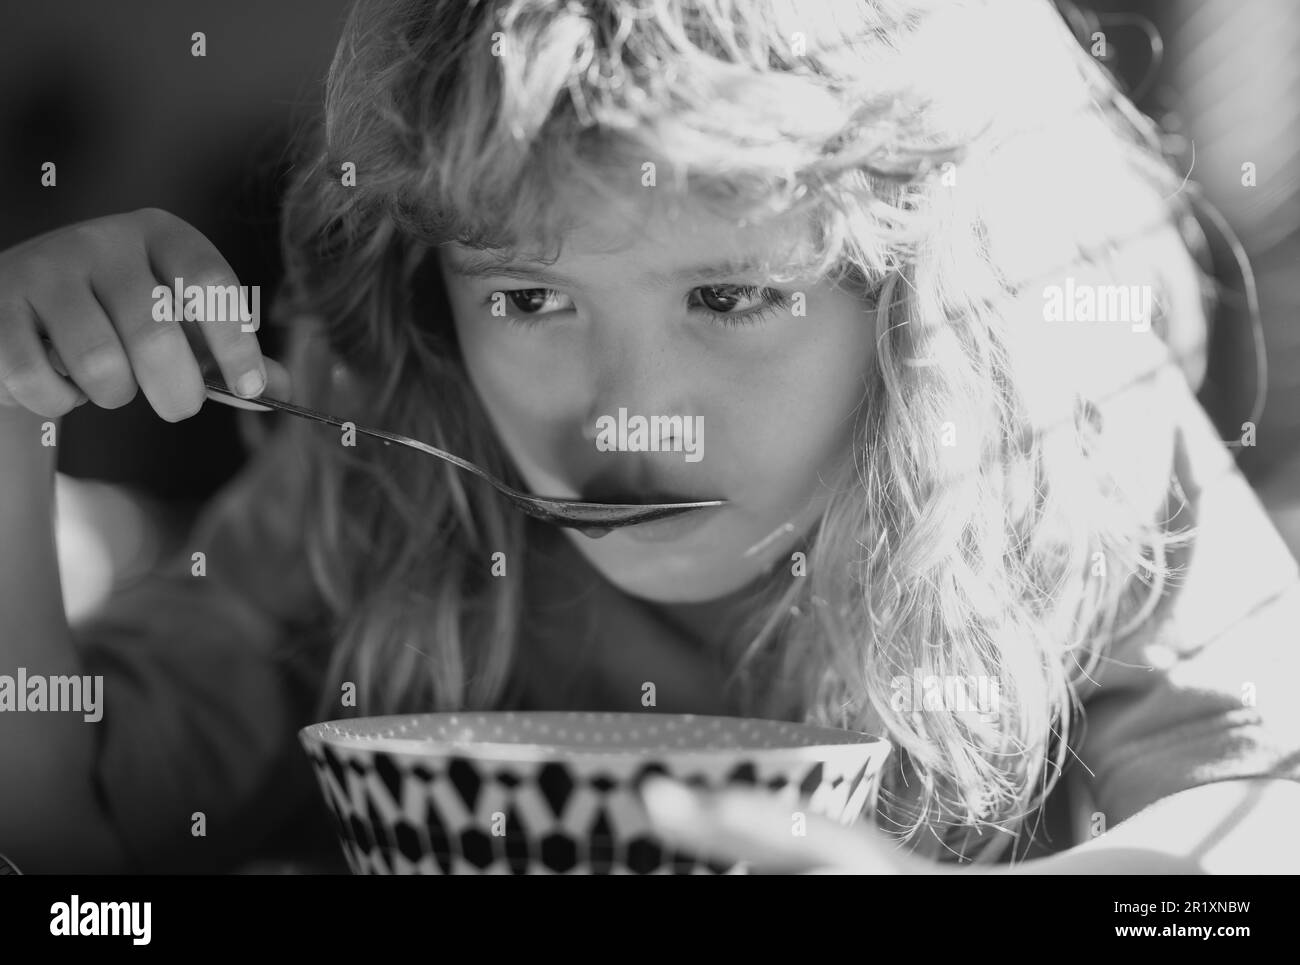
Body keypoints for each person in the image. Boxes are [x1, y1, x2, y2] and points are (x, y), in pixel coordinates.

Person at [1, 0, 1297, 874]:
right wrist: (11, 419)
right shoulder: (377, 478)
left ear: (923, 291)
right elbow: (72, 828)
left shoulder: (1072, 455)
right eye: (526, 296)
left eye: (731, 295)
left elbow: (1264, 821)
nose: (624, 411)